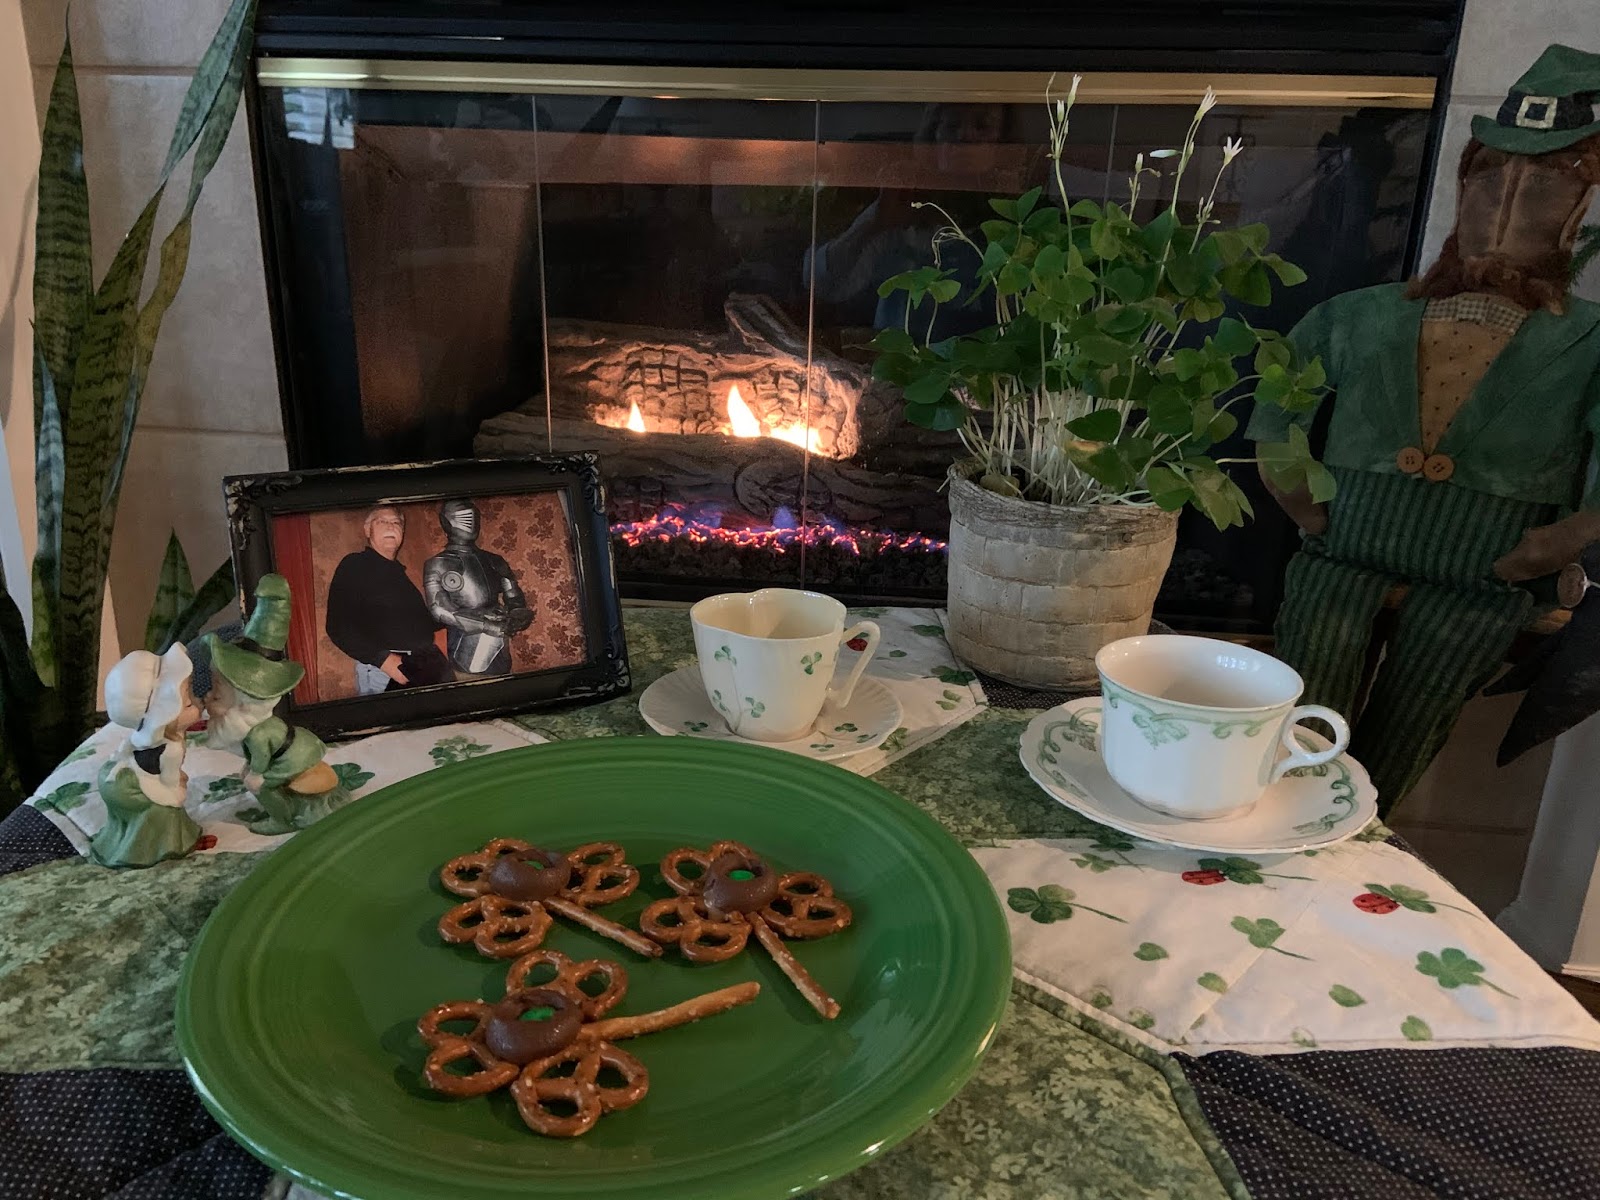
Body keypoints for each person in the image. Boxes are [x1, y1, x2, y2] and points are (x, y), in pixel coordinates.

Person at [1247, 43, 1600, 813]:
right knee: (1302, 713)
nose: (1507, 207)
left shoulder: (1590, 343)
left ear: (1580, 209)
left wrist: (1554, 544)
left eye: (1545, 185)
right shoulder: (1358, 317)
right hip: (1342, 554)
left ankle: (1362, 838)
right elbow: (1279, 408)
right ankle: (1284, 820)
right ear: (1463, 181)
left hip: (1483, 578)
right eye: (1491, 179)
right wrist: (1306, 504)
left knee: (1414, 717)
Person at [204, 574, 352, 835]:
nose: (209, 697)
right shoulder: (250, 725)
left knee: (259, 786)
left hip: (294, 759)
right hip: (295, 751)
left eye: (217, 691)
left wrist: (256, 774)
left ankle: (281, 819)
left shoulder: (256, 732)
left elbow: (261, 758)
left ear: (245, 696)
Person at [90, 644, 205, 868]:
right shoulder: (171, 747)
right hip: (132, 786)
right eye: (189, 703)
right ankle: (151, 848)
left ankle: (119, 838)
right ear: (164, 717)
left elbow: (128, 747)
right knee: (165, 811)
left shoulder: (148, 739)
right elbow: (171, 787)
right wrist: (178, 789)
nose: (198, 703)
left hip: (117, 775)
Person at [325, 505, 450, 695]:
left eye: (396, 522)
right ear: (368, 530)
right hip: (384, 672)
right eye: (382, 521)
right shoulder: (355, 565)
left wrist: (456, 609)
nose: (391, 526)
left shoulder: (400, 576)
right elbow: (338, 626)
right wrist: (384, 660)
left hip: (422, 666)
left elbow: (425, 624)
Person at [424, 498, 534, 678]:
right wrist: (486, 625)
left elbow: (514, 597)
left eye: (472, 515)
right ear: (446, 521)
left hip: (500, 647)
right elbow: (439, 610)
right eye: (462, 516)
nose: (469, 520)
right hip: (465, 648)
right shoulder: (438, 564)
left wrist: (516, 615)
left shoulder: (494, 560)